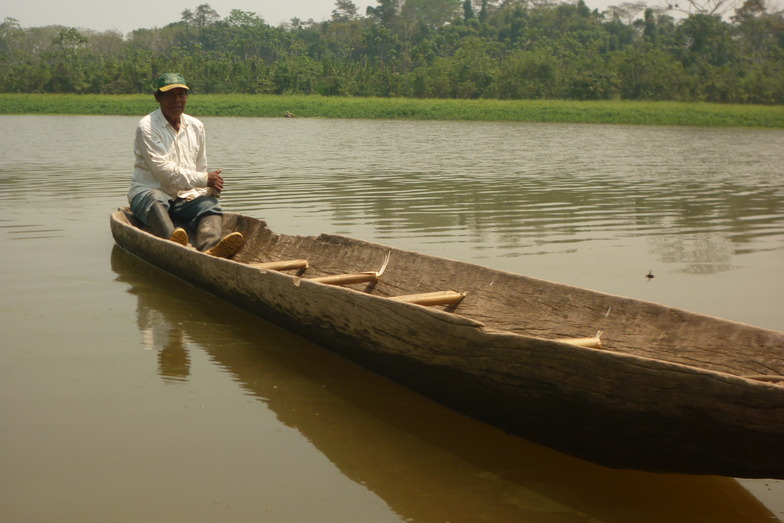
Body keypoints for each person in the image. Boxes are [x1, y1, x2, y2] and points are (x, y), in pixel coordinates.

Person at [128, 72, 244, 258]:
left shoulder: (196, 126)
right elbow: (164, 173)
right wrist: (205, 179)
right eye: (170, 95)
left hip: (183, 197)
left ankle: (211, 249)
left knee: (209, 205)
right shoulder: (147, 127)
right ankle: (174, 244)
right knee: (156, 200)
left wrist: (209, 189)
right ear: (158, 97)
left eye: (181, 94)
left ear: (187, 97)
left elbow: (200, 167)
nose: (177, 100)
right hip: (149, 192)